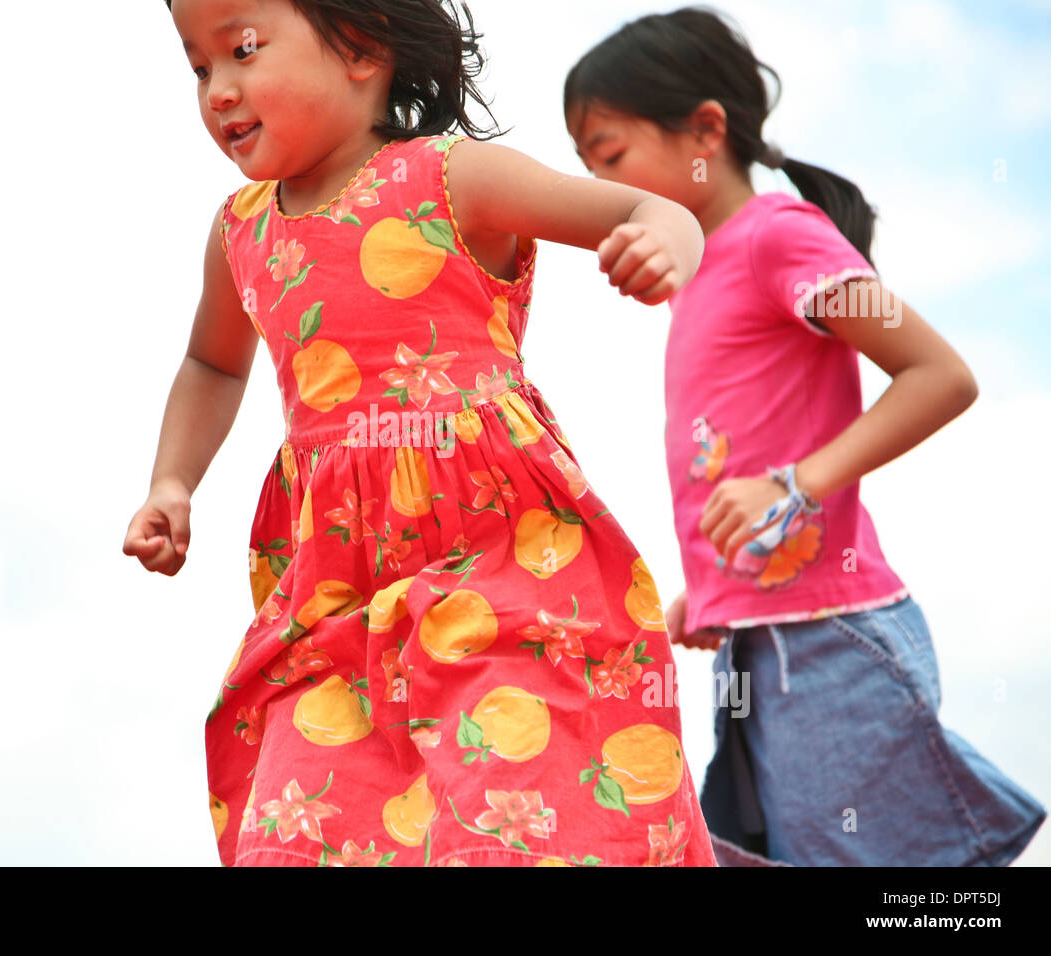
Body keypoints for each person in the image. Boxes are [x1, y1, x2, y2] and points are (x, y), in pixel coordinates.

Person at [124, 0, 719, 867]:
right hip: (330, 599)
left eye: (243, 49)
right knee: (303, 831)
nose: (219, 89)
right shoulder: (240, 232)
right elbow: (213, 366)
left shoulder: (449, 178)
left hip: (499, 569)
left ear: (362, 47)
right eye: (197, 66)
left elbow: (651, 209)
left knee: (508, 821)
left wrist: (660, 242)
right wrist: (172, 481)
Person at [565, 5, 1046, 866]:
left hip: (831, 639)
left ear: (705, 128)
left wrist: (795, 485)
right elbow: (739, 448)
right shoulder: (699, 276)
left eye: (611, 158)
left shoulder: (779, 239)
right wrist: (714, 587)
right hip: (760, 642)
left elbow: (939, 374)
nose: (606, 190)